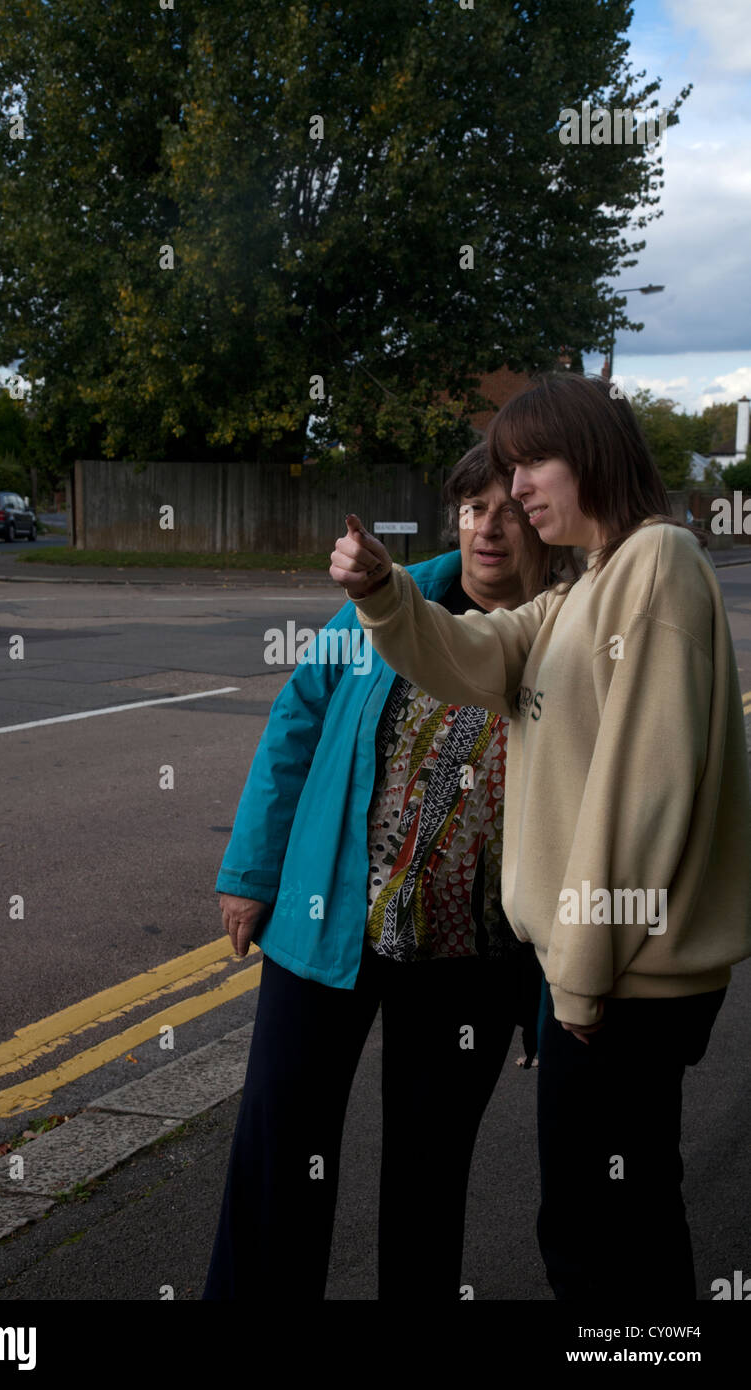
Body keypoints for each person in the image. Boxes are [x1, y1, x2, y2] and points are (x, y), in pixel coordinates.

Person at [332, 372, 751, 1301]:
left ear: (592, 453)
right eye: (508, 470)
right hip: (604, 971)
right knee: (614, 1221)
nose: (515, 491)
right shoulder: (583, 589)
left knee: (602, 1235)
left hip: (620, 979)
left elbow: (645, 793)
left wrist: (580, 976)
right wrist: (387, 595)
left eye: (531, 464)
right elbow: (473, 654)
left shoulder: (657, 563)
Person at [203, 442, 551, 1301]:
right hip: (328, 922)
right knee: (284, 1140)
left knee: (430, 1171)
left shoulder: (564, 627)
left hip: (472, 955)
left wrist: (554, 991)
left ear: (540, 519)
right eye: (474, 509)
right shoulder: (388, 602)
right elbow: (295, 722)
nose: (490, 530)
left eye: (509, 510)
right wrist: (251, 872)